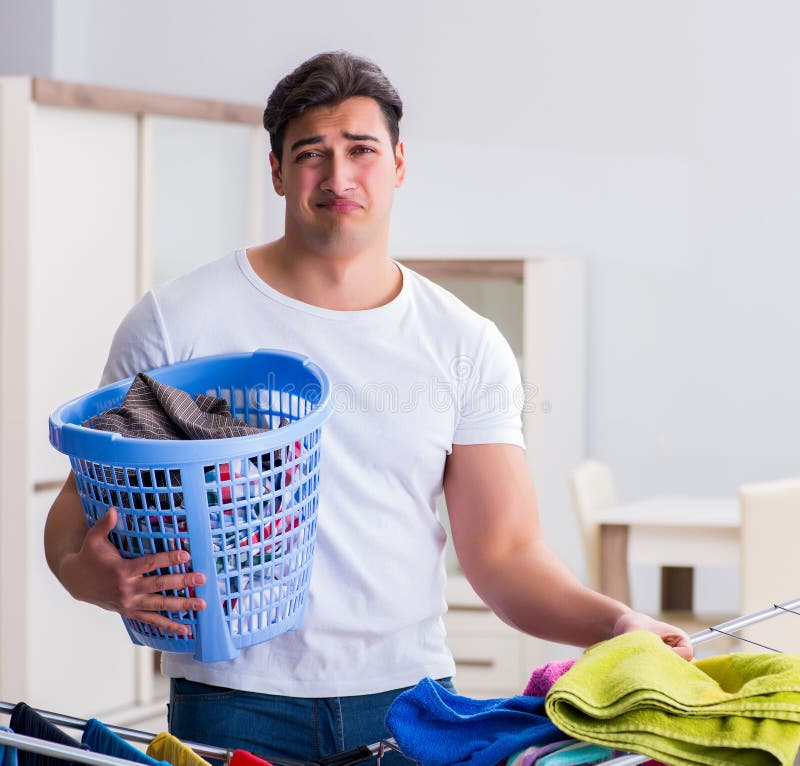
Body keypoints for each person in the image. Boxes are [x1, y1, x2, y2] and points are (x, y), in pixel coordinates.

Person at [44, 51, 691, 764]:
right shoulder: (174, 322)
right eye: (311, 154)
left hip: (410, 707)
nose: (338, 176)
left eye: (361, 150)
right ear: (278, 172)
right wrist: (89, 578)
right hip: (230, 702)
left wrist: (617, 621)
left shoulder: (462, 343)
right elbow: (75, 516)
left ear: (400, 162)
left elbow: (504, 554)